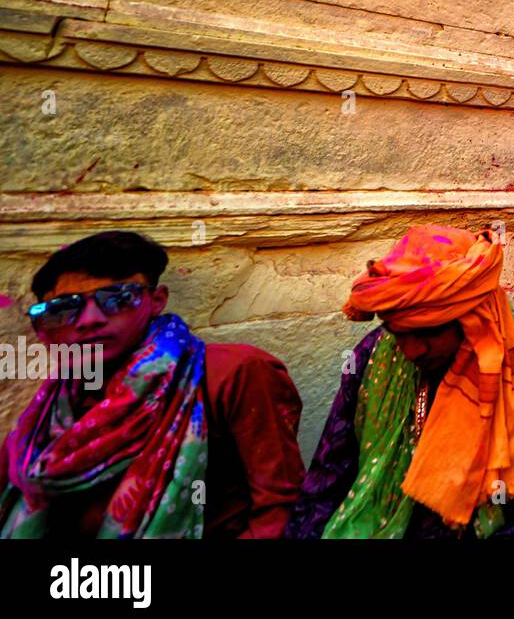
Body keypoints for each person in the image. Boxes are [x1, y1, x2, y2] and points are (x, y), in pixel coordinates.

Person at [0, 231, 303, 538]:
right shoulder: (48, 410)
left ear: (157, 300)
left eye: (117, 298)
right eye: (66, 308)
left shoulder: (233, 373)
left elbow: (278, 512)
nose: (89, 319)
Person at [287, 225, 514, 539]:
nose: (411, 350)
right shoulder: (371, 355)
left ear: (473, 316)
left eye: (427, 332)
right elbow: (328, 477)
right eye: (398, 332)